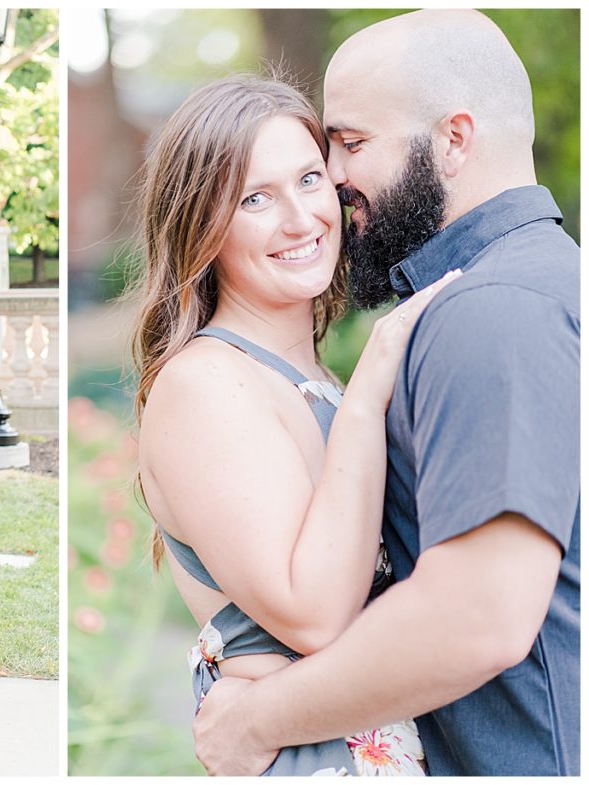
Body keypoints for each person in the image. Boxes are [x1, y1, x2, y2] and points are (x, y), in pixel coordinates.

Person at [193, 10, 579, 776]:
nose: (333, 179)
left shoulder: (489, 309)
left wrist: (252, 722)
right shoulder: (549, 275)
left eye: (351, 144)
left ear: (454, 139)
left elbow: (477, 616)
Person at [133, 74, 459, 775]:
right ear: (203, 228)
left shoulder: (310, 381)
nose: (300, 218)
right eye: (255, 198)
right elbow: (314, 614)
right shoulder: (206, 382)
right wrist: (371, 396)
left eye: (310, 180)